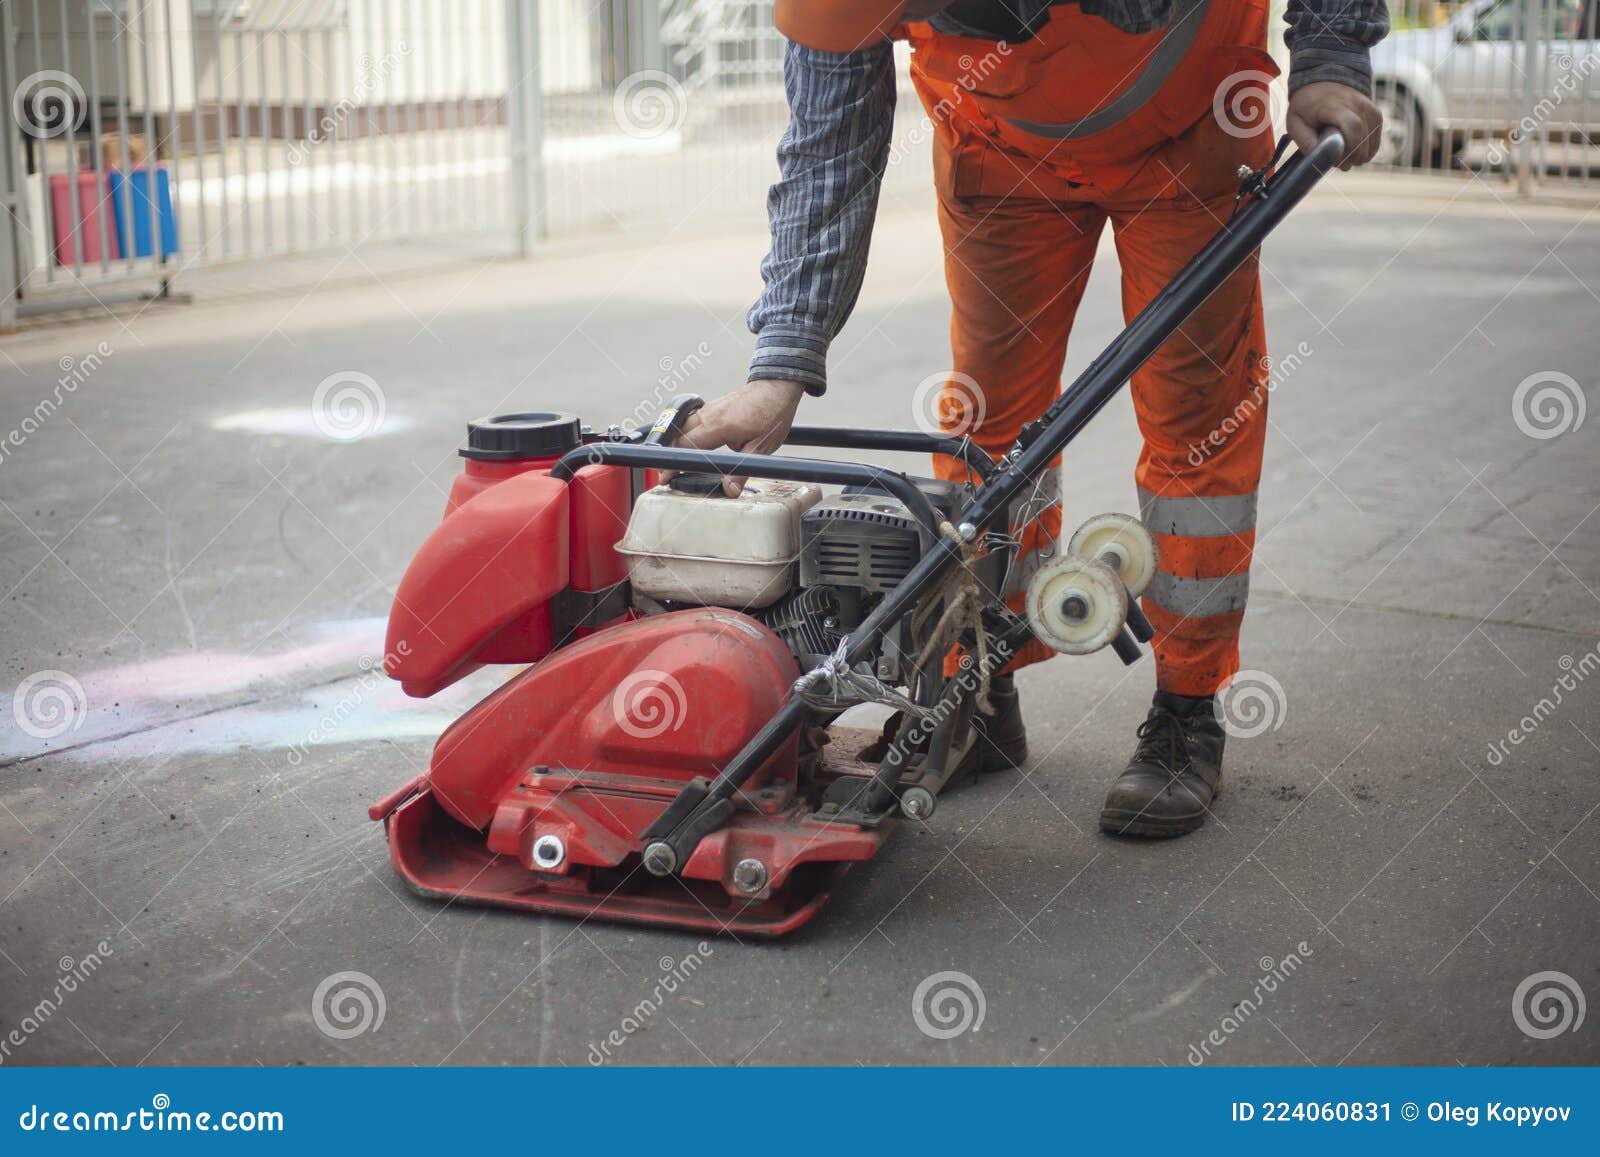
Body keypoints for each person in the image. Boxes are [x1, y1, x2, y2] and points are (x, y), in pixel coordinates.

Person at [674, 0, 1387, 838]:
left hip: (1189, 121)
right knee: (988, 432)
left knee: (1200, 424)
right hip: (1000, 150)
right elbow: (829, 153)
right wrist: (781, 366)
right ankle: (975, 691)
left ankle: (1187, 712)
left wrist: (1332, 54)